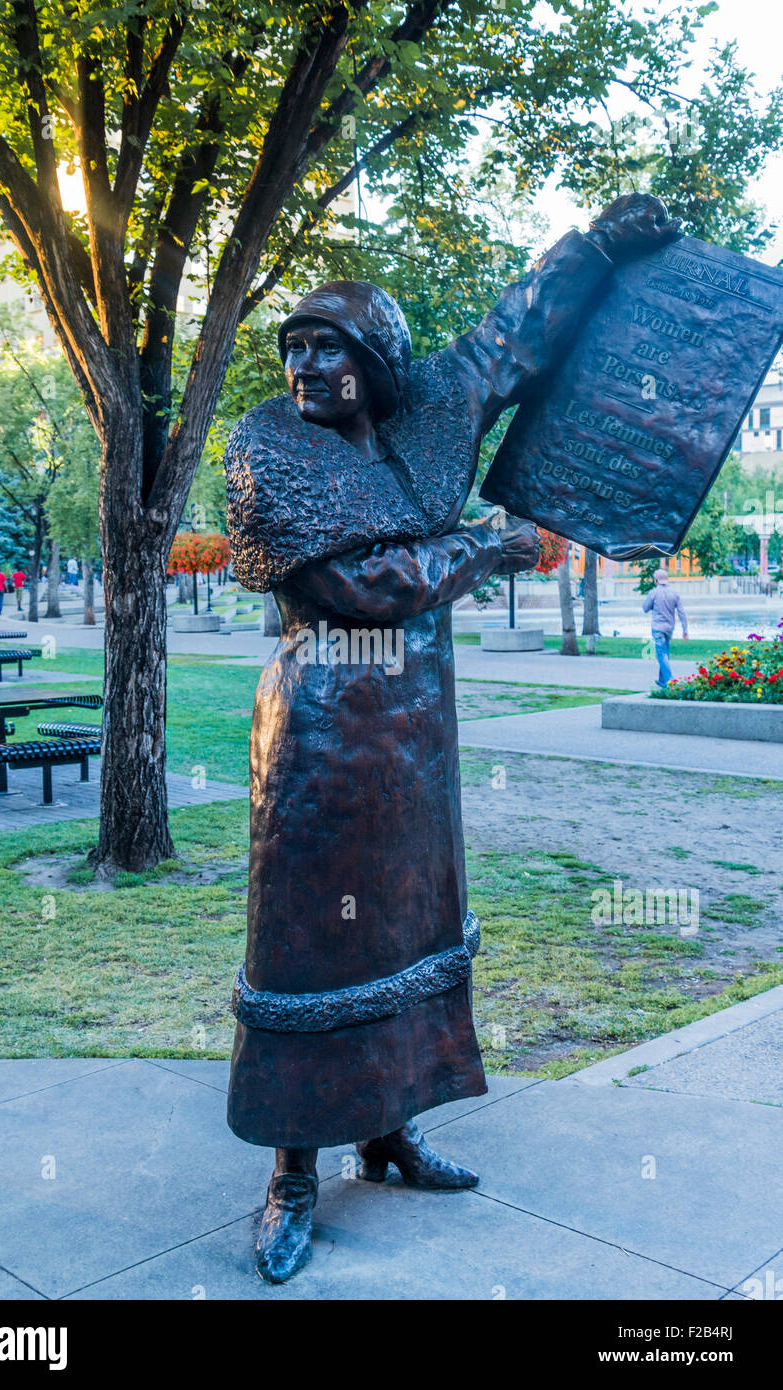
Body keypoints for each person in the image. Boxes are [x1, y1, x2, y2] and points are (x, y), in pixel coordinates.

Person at [223, 192, 681, 1284]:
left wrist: (599, 245)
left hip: (417, 733)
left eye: (326, 351)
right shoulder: (267, 450)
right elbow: (357, 584)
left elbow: (512, 332)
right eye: (293, 352)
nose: (305, 372)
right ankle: (294, 1168)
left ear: (376, 359)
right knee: (313, 940)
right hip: (323, 731)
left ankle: (389, 1128)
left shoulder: (429, 407)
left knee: (410, 921)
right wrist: (490, 547)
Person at [643, 567, 689, 687]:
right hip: (669, 628)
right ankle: (662, 680)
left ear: (656, 580)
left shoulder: (653, 593)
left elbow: (645, 608)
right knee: (665, 654)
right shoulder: (674, 594)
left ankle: (670, 680)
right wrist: (685, 630)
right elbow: (681, 613)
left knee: (661, 655)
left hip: (657, 628)